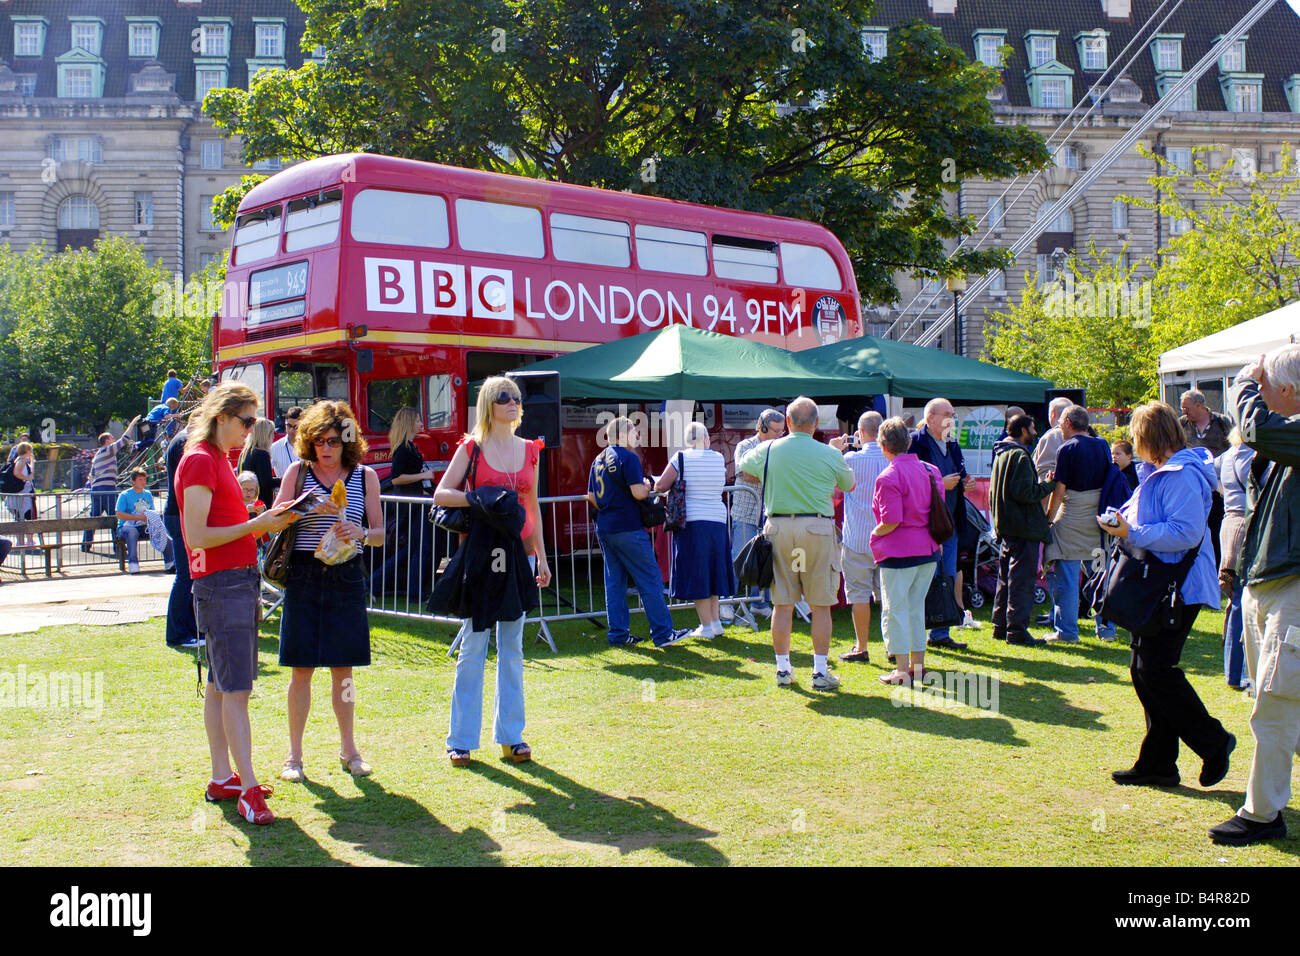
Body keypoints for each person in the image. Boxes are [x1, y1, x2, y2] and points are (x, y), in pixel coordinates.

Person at [176, 382, 297, 825]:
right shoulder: (201, 460)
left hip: (231, 582)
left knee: (220, 685)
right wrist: (257, 523)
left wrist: (260, 523)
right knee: (235, 691)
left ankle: (224, 777)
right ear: (222, 417)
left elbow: (215, 528)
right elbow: (198, 536)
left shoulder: (215, 460)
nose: (251, 430)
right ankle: (247, 789)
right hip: (222, 584)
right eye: (246, 421)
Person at [1098, 402, 1231, 793]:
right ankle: (1157, 763)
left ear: (1148, 438)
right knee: (1145, 671)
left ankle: (1213, 742)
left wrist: (1131, 533)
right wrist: (1119, 521)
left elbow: (1185, 533)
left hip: (1178, 586)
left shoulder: (1181, 475)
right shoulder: (1160, 473)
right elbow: (1145, 518)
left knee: (1156, 671)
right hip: (1160, 584)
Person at [434, 376, 552, 766]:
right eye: (504, 397)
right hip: (481, 554)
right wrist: (477, 498)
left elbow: (532, 506)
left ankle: (512, 736)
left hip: (521, 556)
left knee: (514, 648)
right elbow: (441, 494)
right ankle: (461, 740)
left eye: (517, 397)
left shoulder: (530, 449)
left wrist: (543, 557)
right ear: (489, 403)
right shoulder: (472, 447)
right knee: (474, 644)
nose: (513, 403)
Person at [1210, 345, 1300, 846]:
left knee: (1274, 702)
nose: (1256, 399)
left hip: (1292, 587)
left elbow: (1257, 427)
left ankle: (1263, 813)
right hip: (1270, 582)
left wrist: (1244, 381)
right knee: (1278, 699)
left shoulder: (1286, 431)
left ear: (1287, 390)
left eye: (1265, 389)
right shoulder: (1286, 437)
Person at [273, 401, 384, 783]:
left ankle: (350, 750)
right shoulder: (297, 472)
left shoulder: (365, 476)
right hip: (304, 574)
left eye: (334, 441)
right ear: (308, 440)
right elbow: (273, 522)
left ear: (347, 441)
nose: (326, 448)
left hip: (347, 575)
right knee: (300, 670)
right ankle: (294, 757)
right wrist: (304, 511)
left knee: (344, 670)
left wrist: (363, 533)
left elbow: (381, 534)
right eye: (319, 440)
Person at [738, 396, 855, 690]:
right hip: (816, 528)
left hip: (779, 528)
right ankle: (819, 671)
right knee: (821, 604)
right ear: (816, 424)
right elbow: (848, 485)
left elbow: (744, 470)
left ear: (788, 423)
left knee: (782, 603)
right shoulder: (828, 453)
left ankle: (782, 670)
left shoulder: (769, 448)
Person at [587, 417, 691, 649]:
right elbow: (638, 493)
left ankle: (618, 635)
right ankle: (663, 634)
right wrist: (646, 486)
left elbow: (591, 497)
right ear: (622, 435)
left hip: (605, 526)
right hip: (628, 527)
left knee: (614, 583)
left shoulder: (598, 459)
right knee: (650, 579)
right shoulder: (628, 457)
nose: (637, 436)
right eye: (633, 431)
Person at [871, 417, 945, 684]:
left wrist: (874, 533)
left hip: (898, 552)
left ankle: (902, 670)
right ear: (909, 440)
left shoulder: (889, 476)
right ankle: (917, 666)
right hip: (928, 549)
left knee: (896, 610)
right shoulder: (931, 470)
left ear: (883, 445)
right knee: (915, 608)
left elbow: (891, 520)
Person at [655, 421, 735, 639]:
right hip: (717, 520)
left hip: (692, 521)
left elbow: (661, 485)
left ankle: (706, 626)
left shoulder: (680, 458)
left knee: (698, 572)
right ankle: (716, 622)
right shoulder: (718, 458)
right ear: (706, 438)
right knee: (713, 571)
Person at [908, 398, 976, 647]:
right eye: (948, 414)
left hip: (951, 523)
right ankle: (922, 632)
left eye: (954, 414)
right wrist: (939, 484)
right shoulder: (916, 442)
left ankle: (940, 633)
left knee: (947, 575)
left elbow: (959, 471)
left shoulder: (952, 442)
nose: (952, 419)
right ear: (931, 417)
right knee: (927, 578)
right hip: (926, 523)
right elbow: (910, 481)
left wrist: (965, 483)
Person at [1042, 406, 1111, 644]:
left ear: (1069, 422)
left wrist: (1048, 519)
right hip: (1098, 521)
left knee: (1068, 579)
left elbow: (1059, 491)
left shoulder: (1066, 448)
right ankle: (1106, 628)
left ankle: (1067, 632)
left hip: (1071, 519)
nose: (1059, 426)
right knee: (1100, 573)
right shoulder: (1102, 444)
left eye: (1061, 422)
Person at [989, 414, 1055, 647]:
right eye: (1032, 427)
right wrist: (1049, 485)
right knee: (1021, 581)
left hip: (1007, 526)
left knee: (1006, 578)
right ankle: (1016, 631)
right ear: (1022, 430)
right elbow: (1025, 493)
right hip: (1023, 527)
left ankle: (1001, 626)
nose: (1035, 432)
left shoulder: (1002, 452)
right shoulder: (1018, 454)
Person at [372, 406, 436, 599]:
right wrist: (423, 475)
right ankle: (414, 593)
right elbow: (396, 478)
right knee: (420, 548)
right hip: (412, 504)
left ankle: (373, 584)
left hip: (416, 502)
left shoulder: (409, 446)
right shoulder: (403, 449)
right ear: (409, 422)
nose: (420, 424)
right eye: (417, 420)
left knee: (412, 549)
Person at [840, 411, 889, 662]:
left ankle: (862, 646)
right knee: (888, 596)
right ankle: (893, 648)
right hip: (887, 539)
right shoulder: (892, 460)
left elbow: (838, 490)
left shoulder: (850, 459)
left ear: (860, 433)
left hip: (857, 537)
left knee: (858, 595)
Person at [730, 408, 785, 619]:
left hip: (770, 512)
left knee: (766, 559)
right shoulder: (745, 446)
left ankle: (760, 603)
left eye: (782, 431)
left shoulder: (780, 447)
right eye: (776, 431)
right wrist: (773, 475)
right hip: (746, 512)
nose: (780, 435)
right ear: (762, 427)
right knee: (739, 557)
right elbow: (746, 474)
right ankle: (727, 601)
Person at [1217, 429, 1255, 693]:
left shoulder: (1225, 457)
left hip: (1229, 523)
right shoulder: (1253, 456)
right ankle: (1242, 673)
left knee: (1235, 599)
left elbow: (1216, 485)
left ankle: (1234, 671)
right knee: (1243, 599)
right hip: (1247, 524)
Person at [1180, 389, 1232, 569]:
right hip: (1193, 486)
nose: (1184, 412)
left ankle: (1220, 568)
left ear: (1199, 405)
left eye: (1186, 408)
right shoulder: (1182, 425)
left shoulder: (1223, 422)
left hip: (1219, 486)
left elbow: (1236, 446)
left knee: (1217, 528)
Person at [82, 416, 142, 552]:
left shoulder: (98, 454)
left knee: (94, 517)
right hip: (107, 489)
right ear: (107, 441)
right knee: (115, 517)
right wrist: (133, 423)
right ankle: (118, 545)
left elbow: (91, 476)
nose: (113, 440)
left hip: (97, 489)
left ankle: (86, 544)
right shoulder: (108, 450)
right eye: (111, 438)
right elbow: (124, 440)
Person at [164, 427, 199, 648]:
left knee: (189, 576)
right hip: (179, 515)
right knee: (185, 577)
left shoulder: (180, 440)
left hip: (179, 513)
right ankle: (178, 633)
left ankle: (188, 629)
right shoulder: (183, 443)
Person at [115, 466, 174, 574]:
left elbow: (152, 511)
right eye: (140, 480)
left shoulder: (148, 494)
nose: (143, 482)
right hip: (126, 527)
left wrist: (150, 518)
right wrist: (137, 517)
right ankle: (133, 565)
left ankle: (170, 563)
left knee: (165, 534)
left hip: (144, 526)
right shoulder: (125, 495)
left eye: (144, 479)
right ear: (133, 481)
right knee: (132, 533)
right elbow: (119, 514)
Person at [1033, 396, 1075, 480]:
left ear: (1052, 414)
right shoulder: (1092, 435)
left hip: (1059, 492)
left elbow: (1045, 473)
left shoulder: (1052, 436)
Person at [237, 418, 276, 507]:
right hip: (259, 506)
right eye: (271, 434)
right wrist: (286, 480)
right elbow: (266, 483)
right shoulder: (261, 454)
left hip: (245, 502)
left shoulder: (245, 452)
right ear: (265, 435)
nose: (273, 437)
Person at [5, 442, 36, 548]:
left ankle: (22, 541)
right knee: (29, 517)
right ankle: (27, 541)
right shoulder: (21, 460)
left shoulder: (20, 460)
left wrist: (32, 461)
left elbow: (30, 469)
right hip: (24, 495)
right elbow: (17, 473)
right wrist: (27, 478)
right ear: (27, 451)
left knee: (20, 518)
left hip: (22, 495)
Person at [270, 406, 302, 478]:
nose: (291, 430)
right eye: (289, 426)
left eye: (295, 427)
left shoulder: (310, 446)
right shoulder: (275, 448)